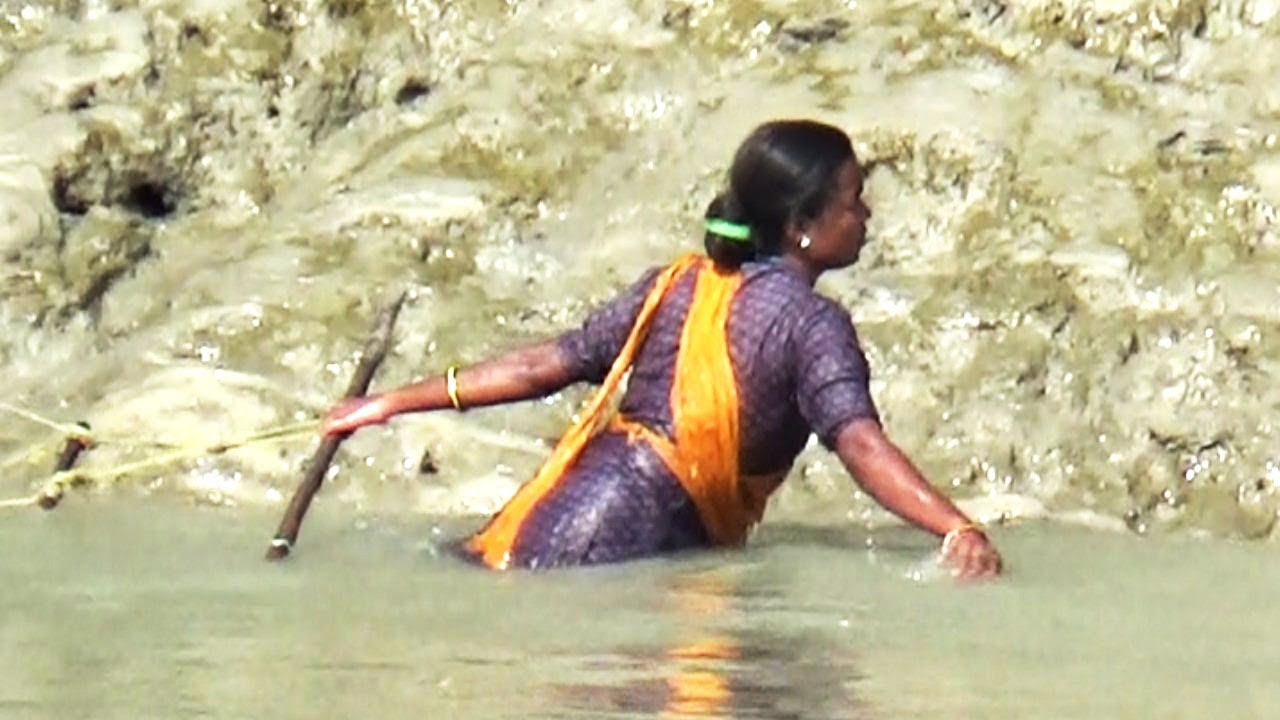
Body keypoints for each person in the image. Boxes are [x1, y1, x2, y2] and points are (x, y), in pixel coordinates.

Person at [322, 119, 1003, 578]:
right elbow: (859, 445)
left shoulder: (675, 284)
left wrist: (386, 403)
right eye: (854, 201)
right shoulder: (811, 323)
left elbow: (543, 364)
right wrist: (957, 528)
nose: (867, 216)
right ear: (801, 226)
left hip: (540, 525)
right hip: (622, 548)